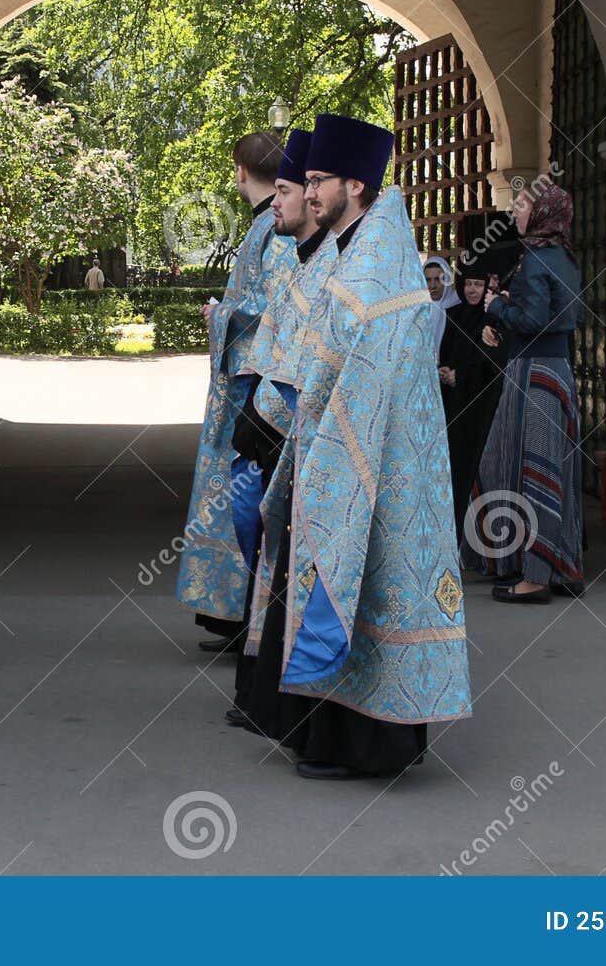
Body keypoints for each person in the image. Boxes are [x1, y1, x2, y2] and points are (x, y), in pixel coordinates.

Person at [238, 113, 471, 780]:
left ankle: (363, 747)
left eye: (318, 182)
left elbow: (345, 361)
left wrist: (292, 408)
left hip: (369, 454)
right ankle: (327, 734)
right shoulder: (360, 245)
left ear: (356, 184)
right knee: (347, 586)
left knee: (366, 586)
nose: (308, 193)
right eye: (306, 183)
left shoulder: (373, 262)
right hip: (344, 442)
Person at [177, 132, 295, 653]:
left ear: (240, 171)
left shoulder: (274, 229)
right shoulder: (267, 227)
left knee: (246, 493)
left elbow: (278, 307)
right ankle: (231, 611)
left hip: (255, 388)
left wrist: (219, 314)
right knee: (238, 492)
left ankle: (245, 611)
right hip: (245, 381)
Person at [463, 182, 584, 604]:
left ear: (543, 212)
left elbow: (532, 319)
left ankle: (533, 578)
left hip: (533, 373)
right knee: (553, 469)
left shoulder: (534, 259)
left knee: (524, 467)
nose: (515, 213)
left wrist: (496, 306)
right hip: (557, 370)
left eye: (522, 207)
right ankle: (562, 566)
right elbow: (560, 315)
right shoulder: (566, 257)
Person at [438, 267, 503, 546]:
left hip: (481, 405)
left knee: (476, 468)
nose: (473, 290)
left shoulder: (495, 318)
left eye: (479, 284)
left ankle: (476, 538)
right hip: (455, 404)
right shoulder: (454, 316)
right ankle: (453, 537)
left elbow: (494, 363)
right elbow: (446, 351)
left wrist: (461, 376)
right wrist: (444, 372)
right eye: (469, 284)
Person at [423, 255, 456, 351]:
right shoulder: (418, 310)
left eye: (438, 279)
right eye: (428, 280)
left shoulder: (459, 310)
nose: (432, 286)